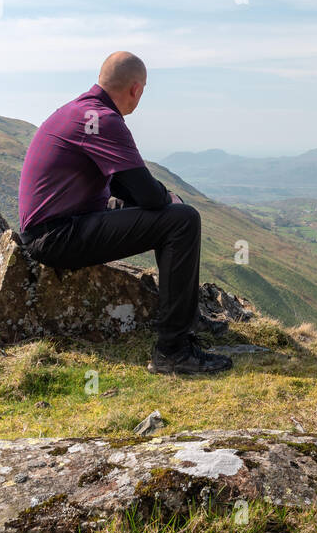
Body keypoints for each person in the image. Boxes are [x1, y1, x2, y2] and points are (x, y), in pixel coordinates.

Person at [16, 51, 232, 375]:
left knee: (174, 212)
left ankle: (187, 320)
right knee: (183, 221)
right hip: (56, 236)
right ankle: (172, 352)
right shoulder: (104, 118)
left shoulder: (81, 111)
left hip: (60, 225)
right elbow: (145, 191)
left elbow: (120, 183)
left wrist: (164, 200)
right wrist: (168, 199)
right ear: (136, 90)